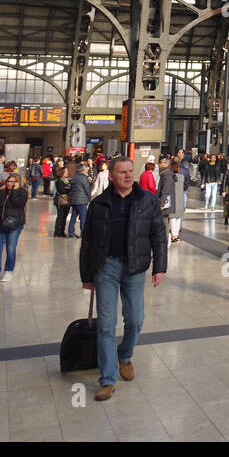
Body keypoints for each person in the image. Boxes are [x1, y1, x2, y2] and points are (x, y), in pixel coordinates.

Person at [79, 156, 167, 401]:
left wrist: (160, 267)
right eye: (122, 172)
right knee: (106, 324)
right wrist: (86, 275)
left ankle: (125, 355)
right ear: (111, 176)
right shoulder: (99, 204)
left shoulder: (147, 201)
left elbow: (158, 236)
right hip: (105, 267)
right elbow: (87, 242)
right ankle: (107, 379)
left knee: (136, 319)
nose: (128, 176)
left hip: (135, 267)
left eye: (130, 171)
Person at [0, 172, 28, 284]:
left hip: (14, 225)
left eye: (13, 182)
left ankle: (8, 271)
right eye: (8, 181)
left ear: (18, 183)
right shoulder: (0, 193)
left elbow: (18, 204)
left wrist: (15, 191)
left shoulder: (23, 193)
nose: (10, 184)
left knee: (11, 249)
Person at [162, 159, 185, 243]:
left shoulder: (168, 176)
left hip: (172, 198)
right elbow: (185, 186)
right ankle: (176, 235)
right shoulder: (181, 177)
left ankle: (173, 235)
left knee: (172, 217)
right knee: (178, 217)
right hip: (180, 198)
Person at [66, 161, 91, 238]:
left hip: (74, 200)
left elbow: (71, 188)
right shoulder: (84, 178)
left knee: (73, 216)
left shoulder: (74, 177)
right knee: (83, 217)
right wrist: (89, 198)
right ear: (82, 170)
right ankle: (83, 233)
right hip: (82, 200)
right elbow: (87, 189)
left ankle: (70, 232)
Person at [52, 162, 72, 238]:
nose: (67, 173)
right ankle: (57, 231)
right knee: (60, 216)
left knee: (64, 216)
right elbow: (62, 190)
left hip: (66, 201)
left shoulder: (67, 181)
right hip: (60, 200)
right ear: (62, 173)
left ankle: (62, 231)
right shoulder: (59, 181)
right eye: (66, 171)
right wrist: (69, 188)